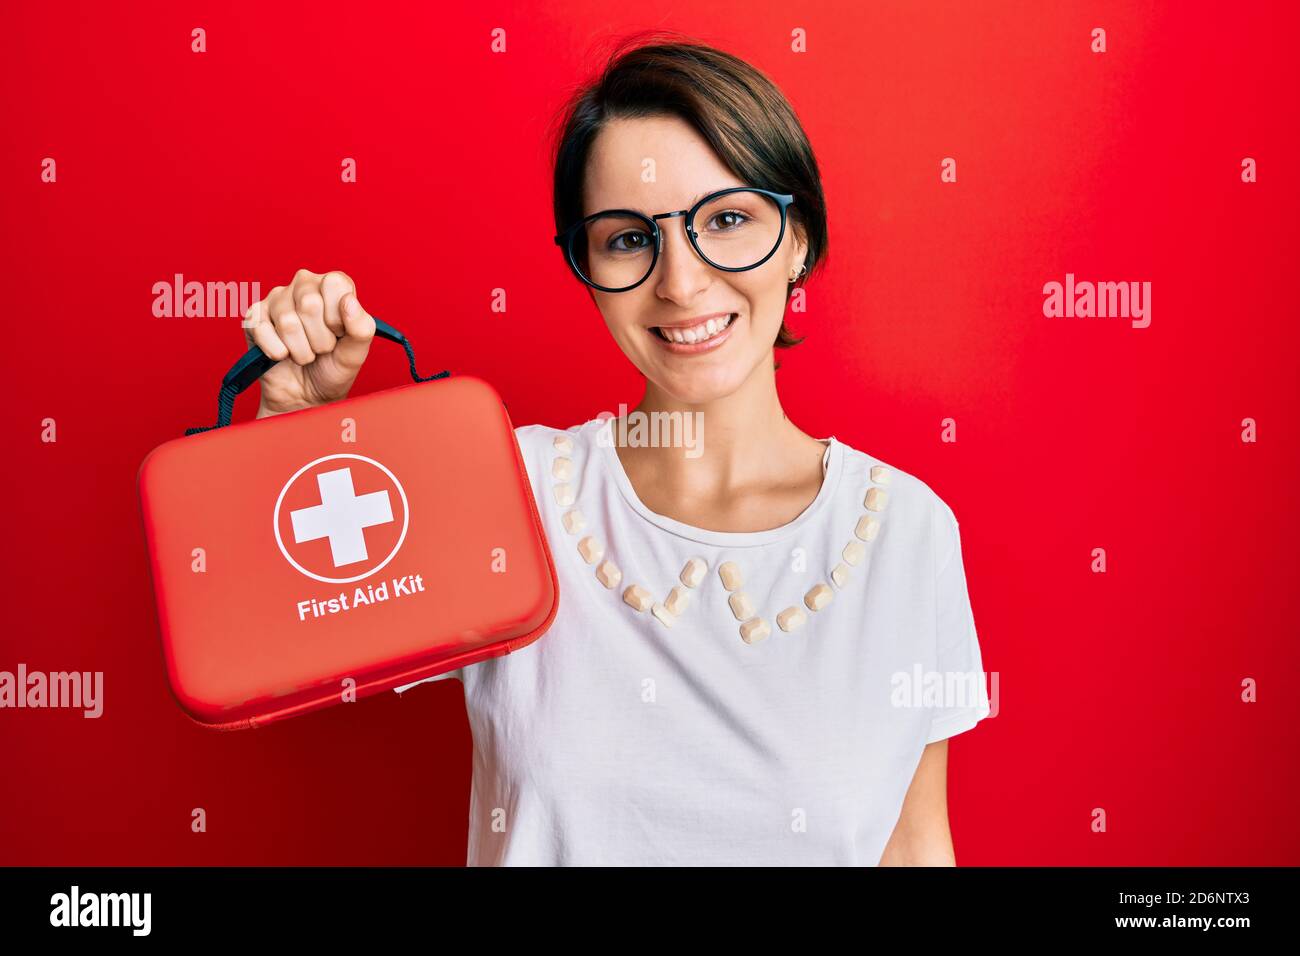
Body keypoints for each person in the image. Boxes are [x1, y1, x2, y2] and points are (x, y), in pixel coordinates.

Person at [244, 33, 990, 866]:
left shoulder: (906, 532)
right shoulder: (507, 488)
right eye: (630, 238)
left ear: (800, 239)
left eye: (729, 219)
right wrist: (297, 432)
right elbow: (278, 645)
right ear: (586, 267)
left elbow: (916, 845)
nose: (680, 281)